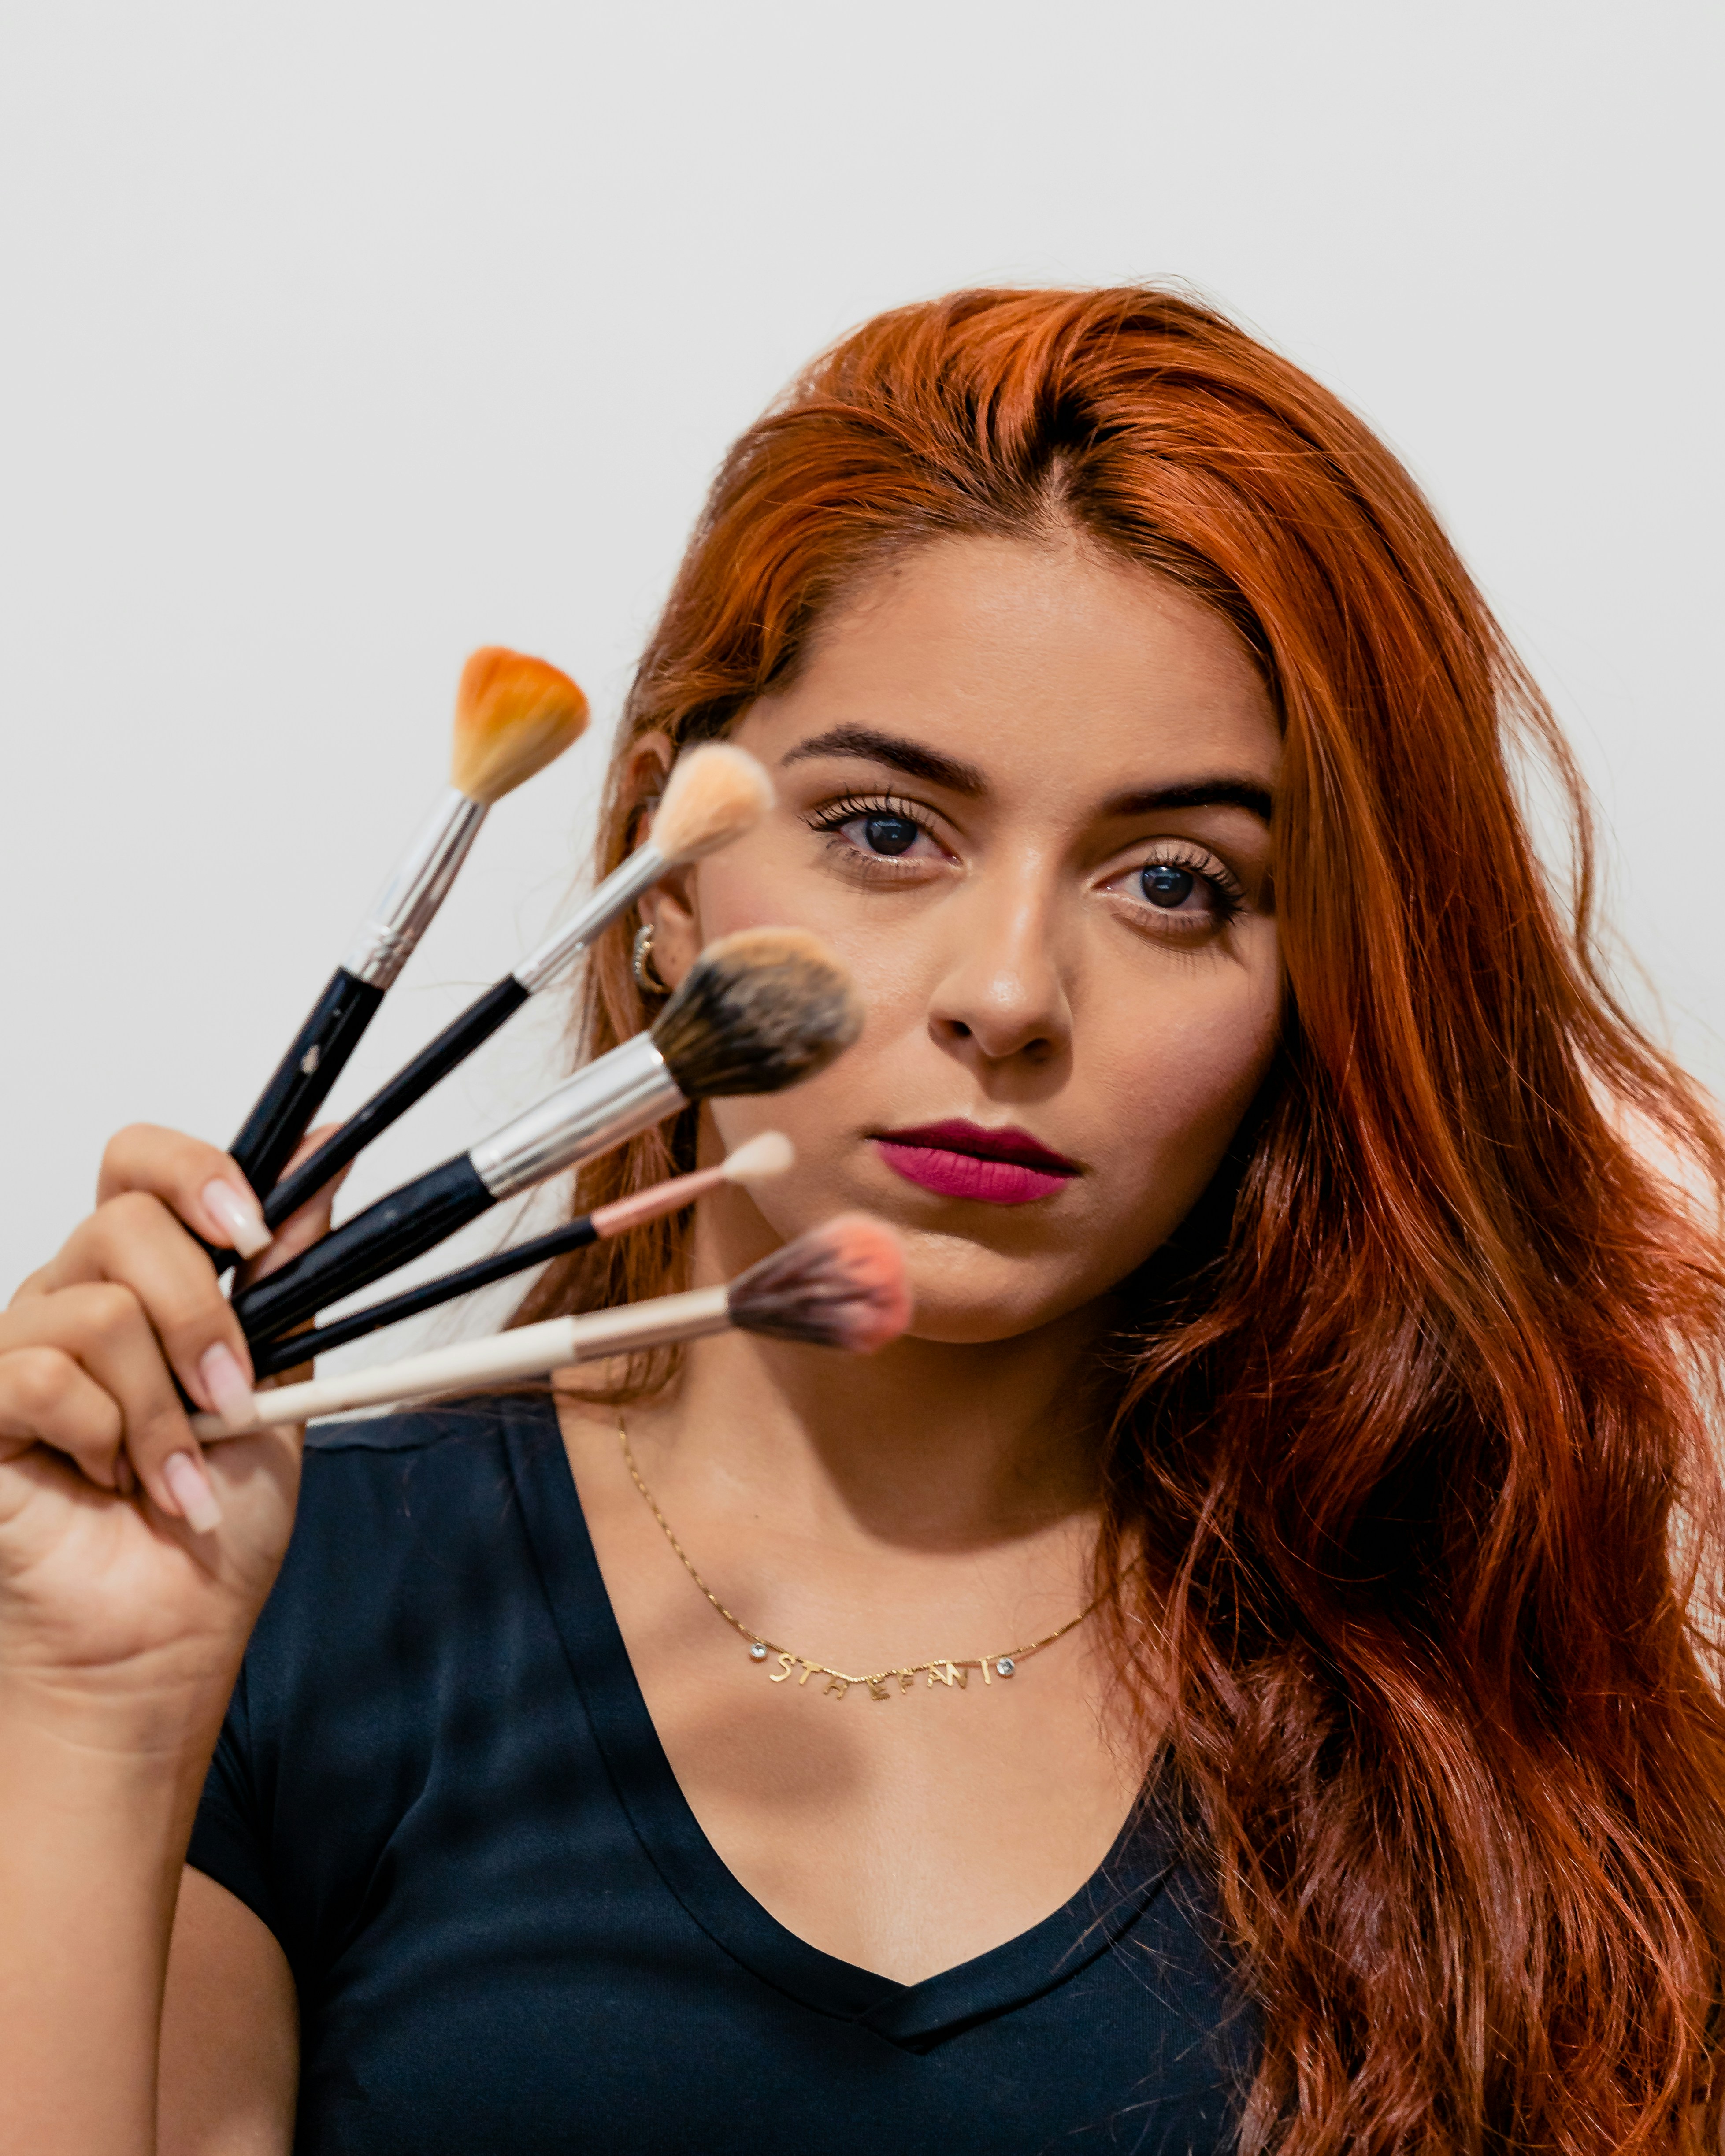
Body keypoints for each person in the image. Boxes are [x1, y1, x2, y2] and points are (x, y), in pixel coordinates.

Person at [3, 286, 1723, 2156]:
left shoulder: (1478, 1661)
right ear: (664, 882)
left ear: (1318, 985)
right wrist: (96, 1719)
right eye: (890, 831)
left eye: (1173, 882)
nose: (1007, 996)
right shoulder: (278, 1601)